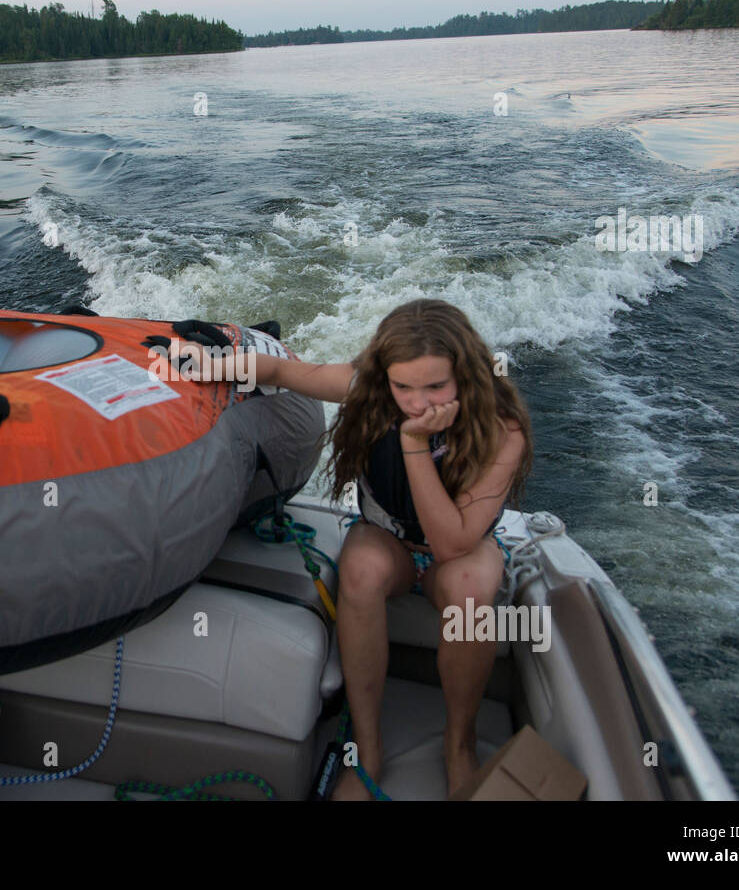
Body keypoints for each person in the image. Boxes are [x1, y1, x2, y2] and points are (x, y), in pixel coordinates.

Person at [171, 298, 532, 798]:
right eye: (402, 387)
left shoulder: (500, 426)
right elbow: (280, 369)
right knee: (360, 570)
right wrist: (214, 365)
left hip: (460, 551)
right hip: (387, 540)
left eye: (435, 386)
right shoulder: (368, 390)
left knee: (469, 591)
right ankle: (367, 746)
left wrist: (413, 444)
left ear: (466, 376)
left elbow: (452, 545)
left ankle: (459, 743)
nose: (417, 403)